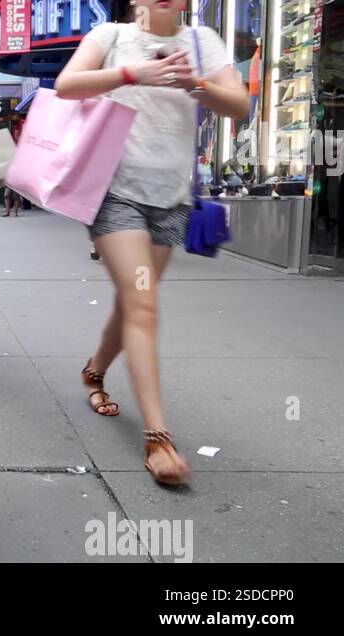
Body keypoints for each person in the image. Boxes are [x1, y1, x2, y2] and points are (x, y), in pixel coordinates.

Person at [55, 0, 248, 485]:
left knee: (131, 302)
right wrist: (132, 73)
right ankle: (158, 438)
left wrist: (195, 84)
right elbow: (66, 86)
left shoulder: (204, 43)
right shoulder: (112, 36)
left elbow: (240, 104)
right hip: (114, 191)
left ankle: (94, 371)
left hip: (172, 198)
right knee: (144, 305)